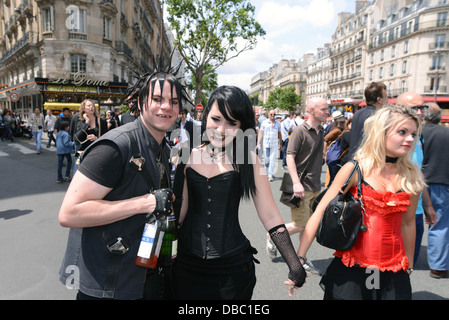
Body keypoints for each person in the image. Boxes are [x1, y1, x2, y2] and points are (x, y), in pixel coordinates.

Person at [58, 65, 191, 300]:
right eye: (158, 99)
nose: (166, 107)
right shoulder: (116, 146)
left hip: (137, 278)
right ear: (140, 103)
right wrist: (146, 203)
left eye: (174, 101)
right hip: (105, 285)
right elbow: (70, 213)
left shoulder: (161, 146)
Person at [172, 85, 306, 300]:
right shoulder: (186, 156)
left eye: (231, 122)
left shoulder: (248, 160)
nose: (221, 129)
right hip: (186, 266)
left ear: (242, 126)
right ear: (205, 117)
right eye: (216, 119)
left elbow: (270, 215)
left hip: (231, 272)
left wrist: (294, 263)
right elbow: (179, 215)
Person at [295, 105, 425, 299]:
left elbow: (408, 224)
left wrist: (410, 267)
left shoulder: (412, 176)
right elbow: (321, 211)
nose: (410, 139)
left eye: (413, 134)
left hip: (394, 270)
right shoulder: (354, 169)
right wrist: (299, 259)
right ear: (381, 132)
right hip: (353, 269)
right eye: (402, 132)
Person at [281, 97, 328, 275]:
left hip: (315, 185)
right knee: (302, 225)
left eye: (327, 109)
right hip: (301, 185)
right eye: (323, 109)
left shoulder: (321, 130)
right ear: (311, 110)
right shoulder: (300, 131)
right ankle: (274, 234)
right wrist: (295, 182)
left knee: (309, 226)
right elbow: (289, 156)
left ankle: (302, 258)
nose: (327, 112)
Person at [396, 92, 437, 265]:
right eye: (415, 108)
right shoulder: (390, 139)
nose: (421, 112)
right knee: (384, 268)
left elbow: (417, 174)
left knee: (407, 265)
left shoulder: (416, 137)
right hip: (395, 213)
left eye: (423, 107)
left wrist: (428, 205)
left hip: (416, 213)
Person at [422, 102, 449, 279]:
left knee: (407, 221)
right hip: (440, 182)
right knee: (439, 223)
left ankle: (405, 259)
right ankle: (437, 266)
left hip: (417, 180)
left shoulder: (417, 132)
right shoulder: (446, 133)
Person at [348, 82, 387, 160]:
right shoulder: (377, 116)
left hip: (354, 159)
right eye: (385, 96)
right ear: (379, 99)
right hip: (367, 161)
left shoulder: (358, 113)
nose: (387, 99)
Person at [73, 99, 108, 173]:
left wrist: (97, 138)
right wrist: (87, 123)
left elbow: (107, 137)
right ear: (84, 109)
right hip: (83, 154)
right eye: (89, 105)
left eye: (92, 105)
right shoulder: (80, 121)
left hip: (97, 153)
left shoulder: (101, 121)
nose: (91, 107)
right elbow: (76, 139)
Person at [258, 110, 282, 181]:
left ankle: (270, 175)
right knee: (266, 159)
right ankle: (265, 172)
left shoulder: (278, 123)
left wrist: (281, 144)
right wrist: (258, 142)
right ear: (268, 114)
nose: (272, 115)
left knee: (272, 159)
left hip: (274, 144)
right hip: (265, 144)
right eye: (271, 114)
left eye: (274, 114)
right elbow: (261, 132)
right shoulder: (264, 123)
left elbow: (279, 134)